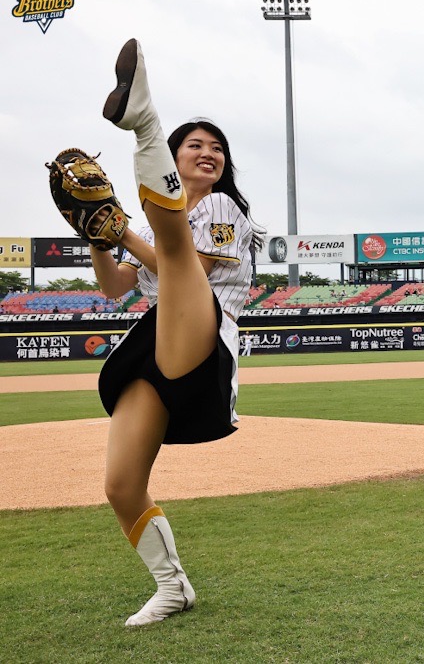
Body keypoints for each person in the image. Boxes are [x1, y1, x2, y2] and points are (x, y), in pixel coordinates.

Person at [84, 39, 261, 626]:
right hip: (154, 342)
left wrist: (123, 230)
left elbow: (184, 268)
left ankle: (144, 122)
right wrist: (97, 235)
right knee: (120, 485)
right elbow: (115, 287)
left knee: (177, 246)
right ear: (176, 161)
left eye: (217, 148)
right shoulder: (160, 222)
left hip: (204, 333)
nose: (209, 154)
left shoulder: (223, 209)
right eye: (196, 146)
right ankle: (172, 586)